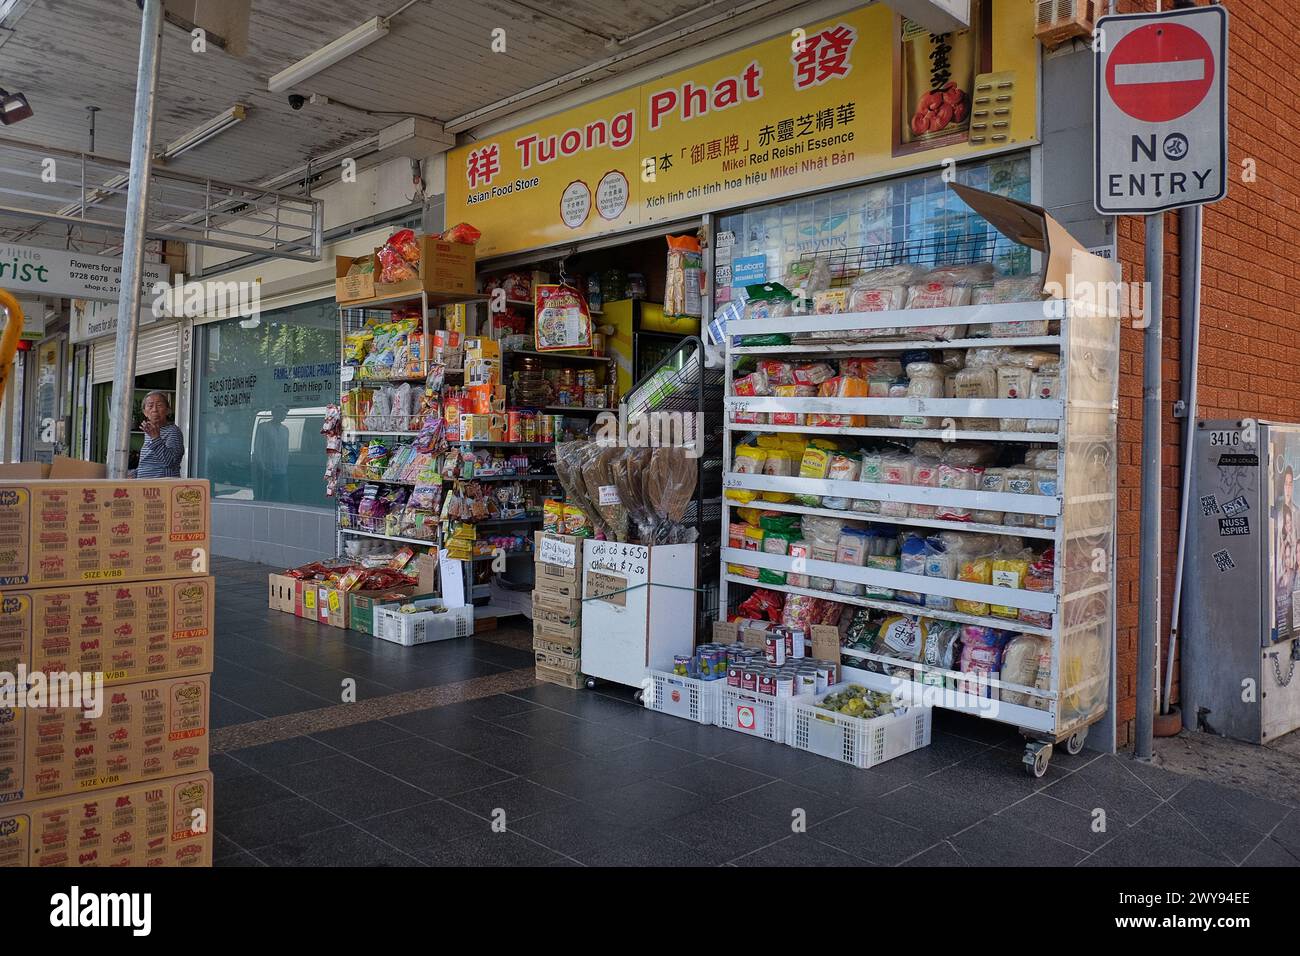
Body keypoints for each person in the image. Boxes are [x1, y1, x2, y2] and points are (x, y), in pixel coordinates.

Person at [135, 390, 185, 478]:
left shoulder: (173, 431)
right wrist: (135, 473)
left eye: (159, 405)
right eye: (150, 406)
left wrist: (155, 438)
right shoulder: (149, 430)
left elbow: (171, 462)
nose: (154, 410)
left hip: (164, 486)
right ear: (145, 412)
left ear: (168, 410)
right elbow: (147, 461)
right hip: (147, 486)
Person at [252, 404, 290, 501]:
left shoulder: (285, 430)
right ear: (274, 413)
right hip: (266, 470)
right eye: (280, 413)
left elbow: (285, 450)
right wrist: (263, 468)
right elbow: (258, 449)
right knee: (264, 496)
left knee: (280, 496)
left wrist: (285, 466)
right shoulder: (264, 427)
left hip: (281, 471)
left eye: (284, 413)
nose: (282, 415)